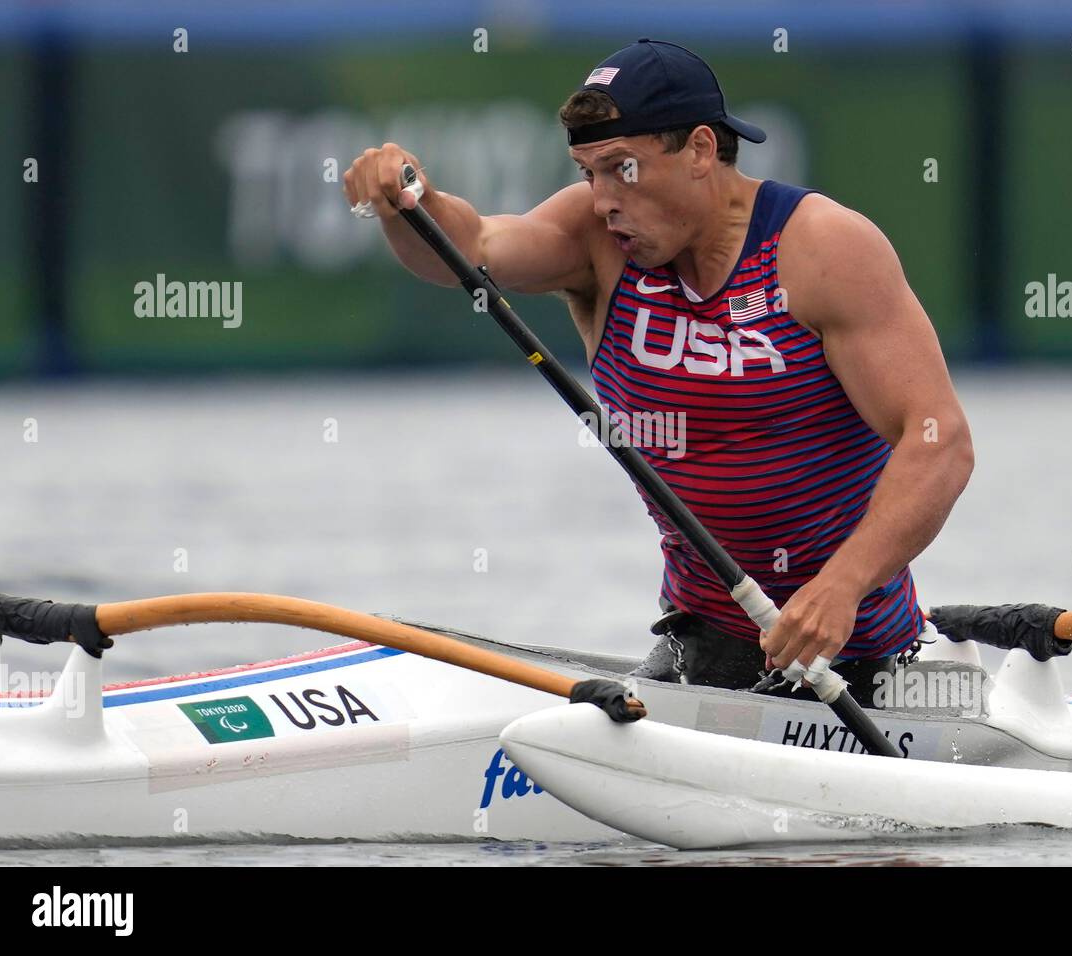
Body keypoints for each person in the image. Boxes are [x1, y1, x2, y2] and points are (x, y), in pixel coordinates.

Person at [343, 38, 974, 701]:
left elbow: (940, 445)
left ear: (702, 150)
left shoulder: (821, 250)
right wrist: (407, 203)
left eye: (623, 168)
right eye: (588, 172)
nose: (604, 198)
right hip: (700, 656)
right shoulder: (595, 241)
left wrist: (840, 587)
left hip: (859, 664)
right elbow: (469, 249)